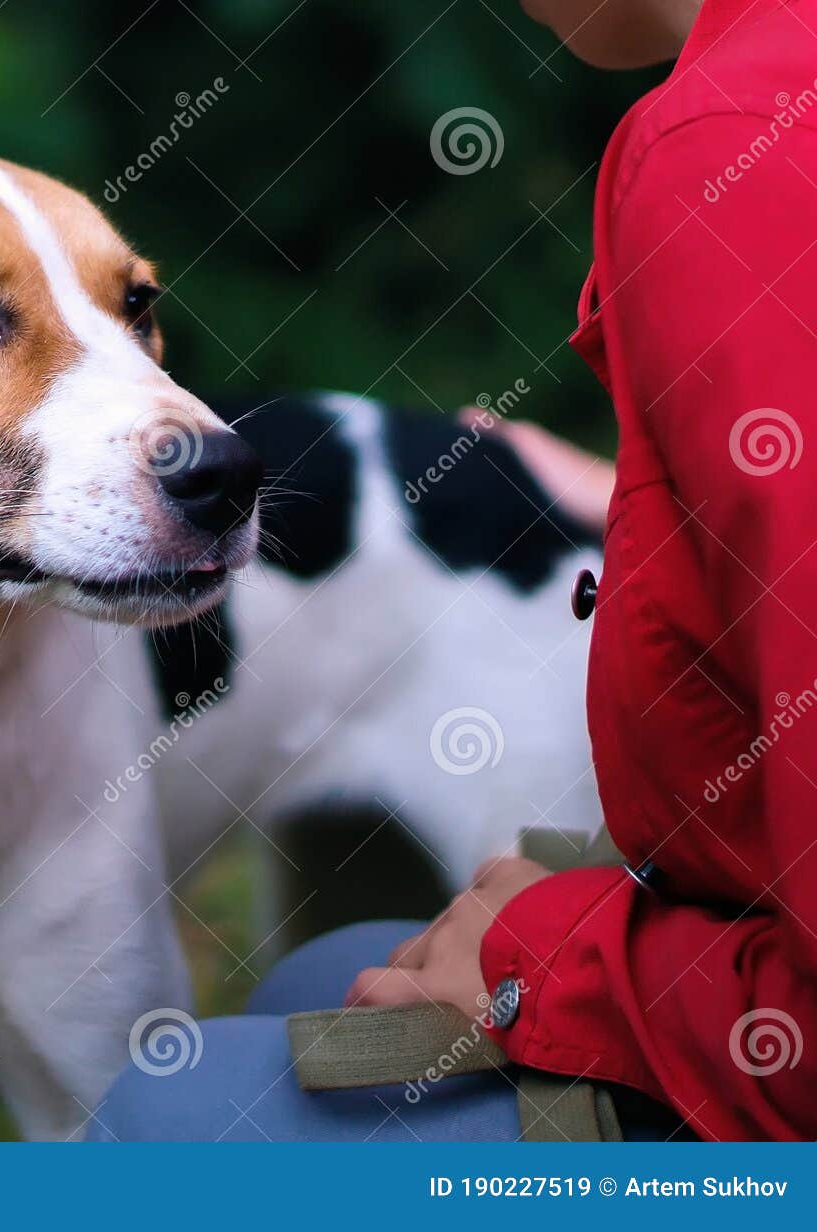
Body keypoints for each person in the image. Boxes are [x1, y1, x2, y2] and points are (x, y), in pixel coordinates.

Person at [91, 0, 817, 1142]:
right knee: (324, 976)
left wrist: (565, 969)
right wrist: (657, 505)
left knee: (162, 1114)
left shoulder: (739, 143)